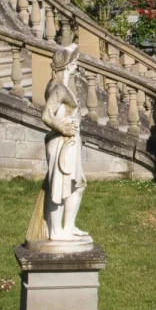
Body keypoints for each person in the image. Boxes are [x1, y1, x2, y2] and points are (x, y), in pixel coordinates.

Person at [40, 44, 89, 241]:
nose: (77, 65)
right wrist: (63, 128)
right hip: (62, 142)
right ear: (69, 65)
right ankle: (55, 231)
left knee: (78, 184)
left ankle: (68, 227)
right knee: (59, 188)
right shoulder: (58, 88)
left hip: (70, 141)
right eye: (75, 62)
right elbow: (46, 115)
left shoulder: (61, 84)